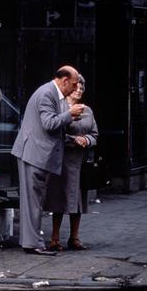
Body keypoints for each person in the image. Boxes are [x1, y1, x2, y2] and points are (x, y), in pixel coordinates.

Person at [11, 66, 85, 256]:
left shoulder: (52, 94)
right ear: (65, 80)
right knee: (32, 201)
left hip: (37, 153)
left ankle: (31, 241)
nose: (76, 88)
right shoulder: (47, 94)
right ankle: (32, 243)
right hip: (34, 153)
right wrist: (70, 114)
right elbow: (49, 124)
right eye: (74, 84)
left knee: (33, 200)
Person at [44, 75, 98, 251]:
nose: (79, 90)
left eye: (82, 88)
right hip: (63, 160)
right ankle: (55, 238)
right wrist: (75, 139)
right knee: (59, 198)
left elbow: (95, 133)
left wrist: (87, 140)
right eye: (77, 87)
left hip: (81, 161)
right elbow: (55, 132)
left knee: (78, 200)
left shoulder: (88, 110)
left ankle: (75, 238)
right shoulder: (61, 109)